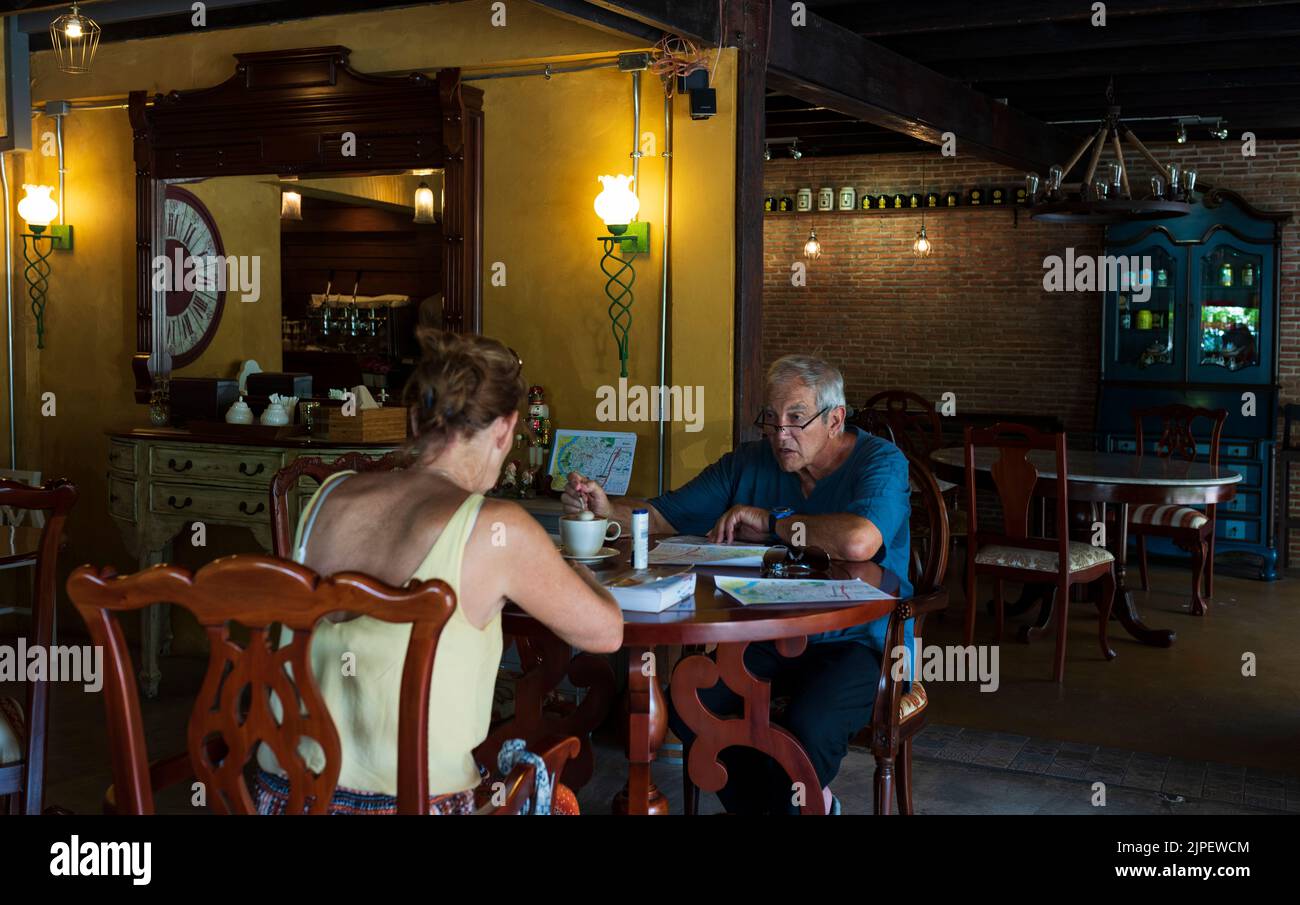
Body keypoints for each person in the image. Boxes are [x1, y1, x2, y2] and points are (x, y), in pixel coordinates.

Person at [255, 328, 623, 814]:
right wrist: (583, 570)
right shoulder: (496, 526)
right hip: (417, 805)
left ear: (413, 418)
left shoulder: (327, 497)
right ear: (506, 429)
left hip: (281, 798)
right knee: (555, 796)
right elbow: (607, 632)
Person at [562, 354, 911, 814]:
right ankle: (808, 807)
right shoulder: (748, 463)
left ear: (835, 419)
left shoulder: (880, 461)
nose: (779, 434)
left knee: (810, 724)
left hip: (863, 643)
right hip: (765, 637)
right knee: (690, 706)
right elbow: (662, 515)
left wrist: (773, 521)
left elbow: (860, 540)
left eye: (795, 418)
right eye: (771, 417)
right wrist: (605, 510)